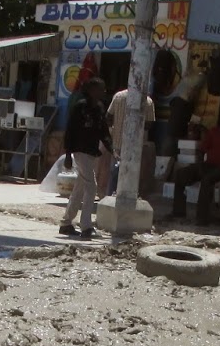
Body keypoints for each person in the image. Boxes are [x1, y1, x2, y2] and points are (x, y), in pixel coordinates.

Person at [170, 111, 220, 225]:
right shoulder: (214, 132)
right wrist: (200, 165)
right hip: (209, 165)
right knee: (180, 174)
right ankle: (178, 212)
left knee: (207, 180)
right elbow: (202, 150)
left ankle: (202, 218)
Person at [60, 78, 112, 239]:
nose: (103, 92)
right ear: (91, 90)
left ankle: (66, 223)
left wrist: (112, 149)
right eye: (100, 89)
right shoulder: (80, 107)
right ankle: (86, 226)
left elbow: (103, 132)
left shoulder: (99, 108)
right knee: (92, 186)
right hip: (80, 151)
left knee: (80, 188)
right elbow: (70, 131)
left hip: (91, 151)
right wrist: (68, 154)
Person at [105, 84, 156, 194]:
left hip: (117, 143)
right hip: (136, 146)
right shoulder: (148, 101)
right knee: (132, 173)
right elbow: (149, 124)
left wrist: (114, 128)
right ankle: (128, 195)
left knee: (115, 172)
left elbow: (108, 117)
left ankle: (111, 195)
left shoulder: (118, 96)